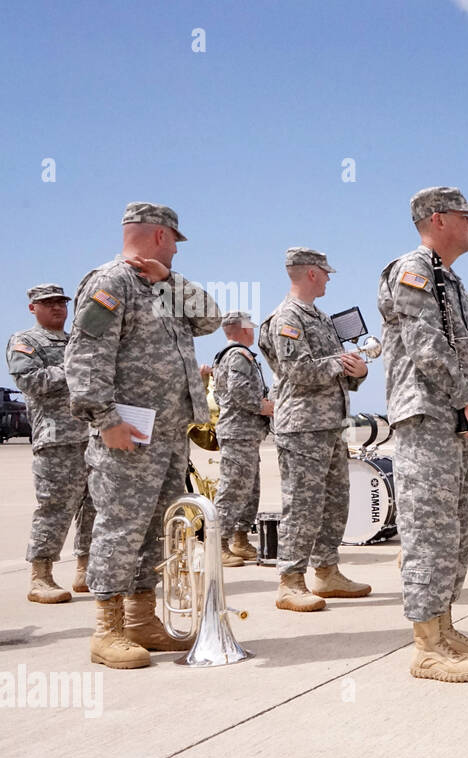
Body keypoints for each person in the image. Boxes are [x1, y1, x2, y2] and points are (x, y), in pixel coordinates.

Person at [66, 202, 223, 667]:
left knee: (156, 527)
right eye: (175, 241)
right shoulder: (110, 283)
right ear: (159, 234)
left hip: (169, 430)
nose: (176, 250)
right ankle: (107, 629)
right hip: (128, 430)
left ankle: (141, 619)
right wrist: (104, 418)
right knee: (120, 526)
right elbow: (86, 354)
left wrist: (170, 280)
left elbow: (210, 318)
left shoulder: (162, 285)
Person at [378, 187, 468, 680]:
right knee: (428, 532)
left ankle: (445, 627)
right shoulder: (412, 271)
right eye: (465, 216)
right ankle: (426, 645)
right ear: (437, 220)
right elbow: (427, 347)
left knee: (454, 532)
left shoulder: (451, 282)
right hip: (429, 418)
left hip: (460, 421)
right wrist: (464, 403)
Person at [261, 247, 370, 612]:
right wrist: (341, 362)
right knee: (303, 505)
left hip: (331, 424)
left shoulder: (320, 318)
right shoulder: (287, 318)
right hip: (303, 427)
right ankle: (290, 581)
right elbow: (300, 371)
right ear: (311, 273)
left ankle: (327, 572)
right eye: (325, 272)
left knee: (335, 501)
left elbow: (334, 375)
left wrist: (357, 372)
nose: (329, 278)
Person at [8, 284, 96, 603]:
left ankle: (87, 571)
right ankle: (40, 577)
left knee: (94, 507)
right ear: (33, 308)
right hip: (57, 439)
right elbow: (32, 382)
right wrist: (73, 370)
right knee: (55, 507)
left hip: (93, 436)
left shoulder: (77, 340)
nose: (58, 307)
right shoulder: (25, 341)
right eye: (49, 303)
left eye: (61, 302)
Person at [211, 311, 273, 565]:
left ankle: (239, 538)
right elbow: (238, 390)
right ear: (245, 329)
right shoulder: (237, 355)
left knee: (248, 489)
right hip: (238, 432)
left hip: (245, 433)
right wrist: (262, 407)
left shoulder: (230, 356)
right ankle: (218, 544)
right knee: (233, 489)